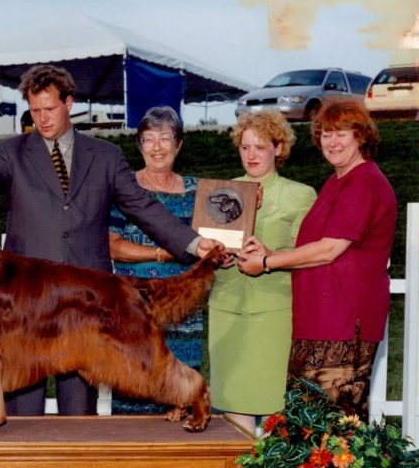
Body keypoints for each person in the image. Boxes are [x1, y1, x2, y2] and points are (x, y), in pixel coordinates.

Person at [0, 64, 222, 417]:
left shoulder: (105, 155)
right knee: (22, 408)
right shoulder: (11, 151)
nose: (42, 118)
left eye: (49, 109)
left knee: (79, 412)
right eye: (35, 111)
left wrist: (193, 244)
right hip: (28, 298)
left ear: (69, 103)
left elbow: (142, 206)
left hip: (88, 298)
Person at [238, 100, 397, 421]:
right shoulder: (337, 181)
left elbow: (330, 249)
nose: (333, 142)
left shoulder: (363, 182)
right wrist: (269, 252)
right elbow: (313, 246)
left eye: (342, 134)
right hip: (319, 319)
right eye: (326, 134)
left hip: (344, 322)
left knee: (335, 431)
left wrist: (269, 262)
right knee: (308, 427)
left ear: (361, 137)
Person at [209, 111, 317, 434]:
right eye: (245, 147)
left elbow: (307, 256)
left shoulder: (301, 195)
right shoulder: (222, 192)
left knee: (277, 415)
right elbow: (205, 248)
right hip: (226, 311)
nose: (251, 155)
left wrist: (271, 256)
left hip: (275, 316)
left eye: (260, 146)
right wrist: (216, 257)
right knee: (234, 418)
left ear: (279, 148)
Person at [108, 106, 202, 415]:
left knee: (183, 404)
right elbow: (113, 246)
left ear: (179, 144)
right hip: (136, 314)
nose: (157, 147)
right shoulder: (123, 190)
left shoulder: (198, 191)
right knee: (134, 404)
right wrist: (163, 253)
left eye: (165, 138)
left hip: (184, 317)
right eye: (148, 139)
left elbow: (221, 234)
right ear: (139, 145)